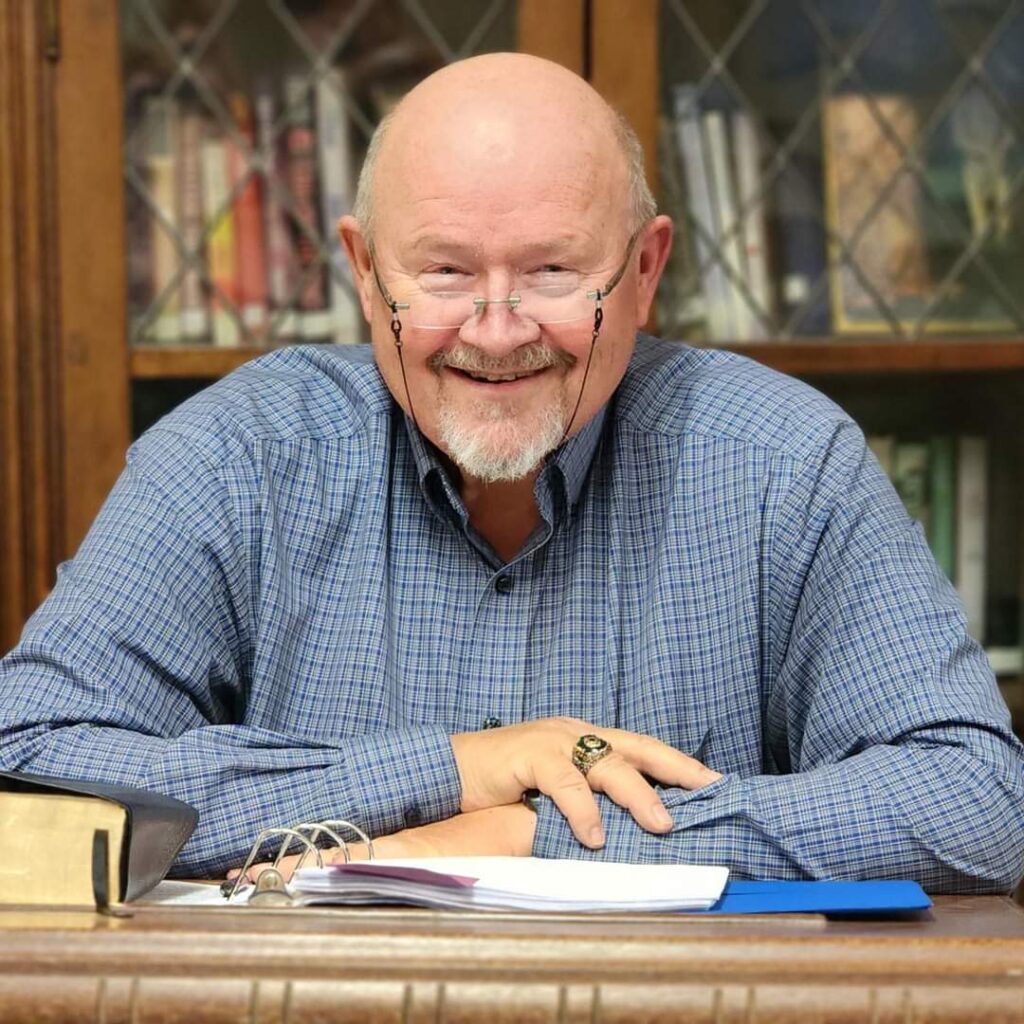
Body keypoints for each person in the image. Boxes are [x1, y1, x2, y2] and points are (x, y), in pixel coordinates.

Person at [1, 53, 1022, 889]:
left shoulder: (781, 464)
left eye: (550, 272)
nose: (495, 333)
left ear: (645, 269)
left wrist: (525, 838)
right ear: (364, 272)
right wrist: (457, 769)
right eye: (443, 272)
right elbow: (27, 760)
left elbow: (977, 800)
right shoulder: (236, 456)